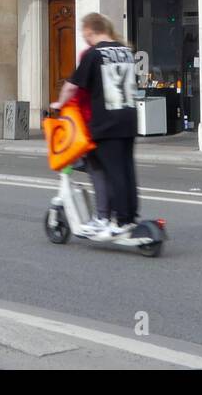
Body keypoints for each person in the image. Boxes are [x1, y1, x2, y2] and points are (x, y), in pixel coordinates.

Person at [51, 13, 139, 240]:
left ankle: (118, 222)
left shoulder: (94, 54)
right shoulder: (125, 51)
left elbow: (72, 87)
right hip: (128, 118)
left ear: (90, 31)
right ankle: (129, 216)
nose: (85, 38)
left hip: (106, 123)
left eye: (84, 34)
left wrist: (59, 103)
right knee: (127, 171)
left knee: (112, 173)